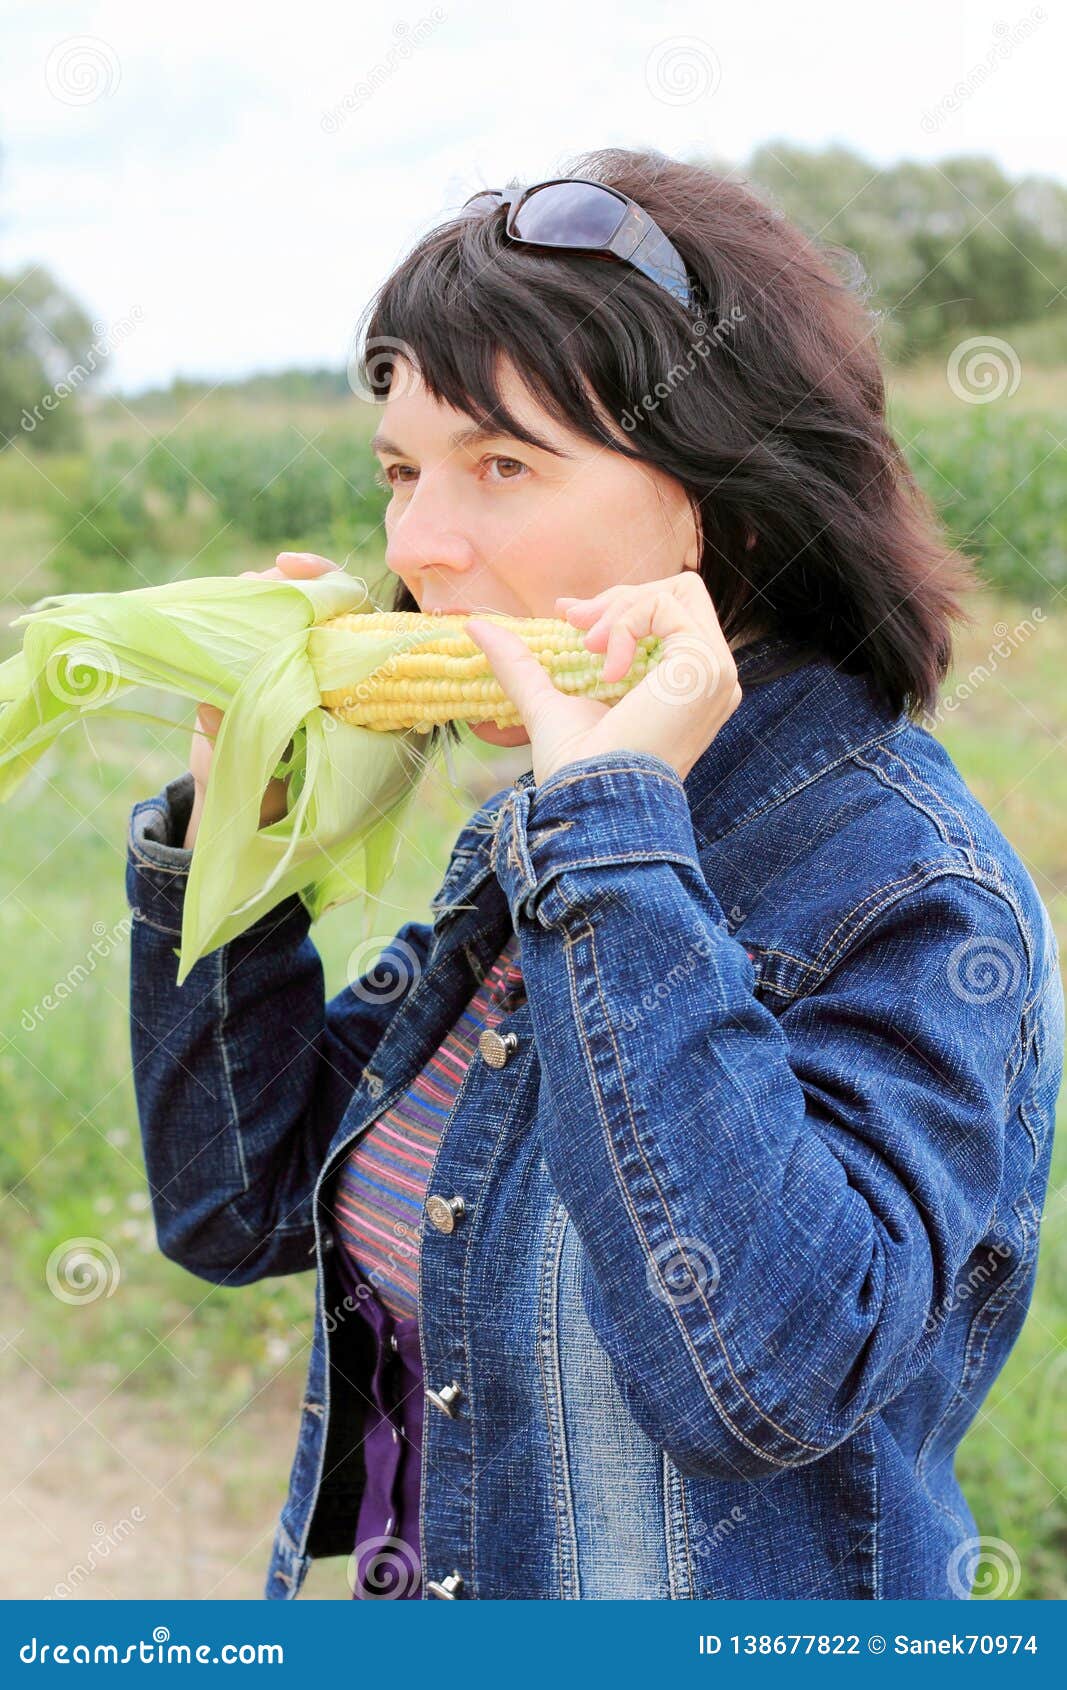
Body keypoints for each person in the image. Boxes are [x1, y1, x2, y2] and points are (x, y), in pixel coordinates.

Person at [125, 147, 1063, 1601]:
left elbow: (761, 1381)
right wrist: (238, 830)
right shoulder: (544, 833)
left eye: (501, 466)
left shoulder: (907, 891)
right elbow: (237, 1206)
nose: (417, 547)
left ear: (732, 509)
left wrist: (614, 841)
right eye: (400, 472)